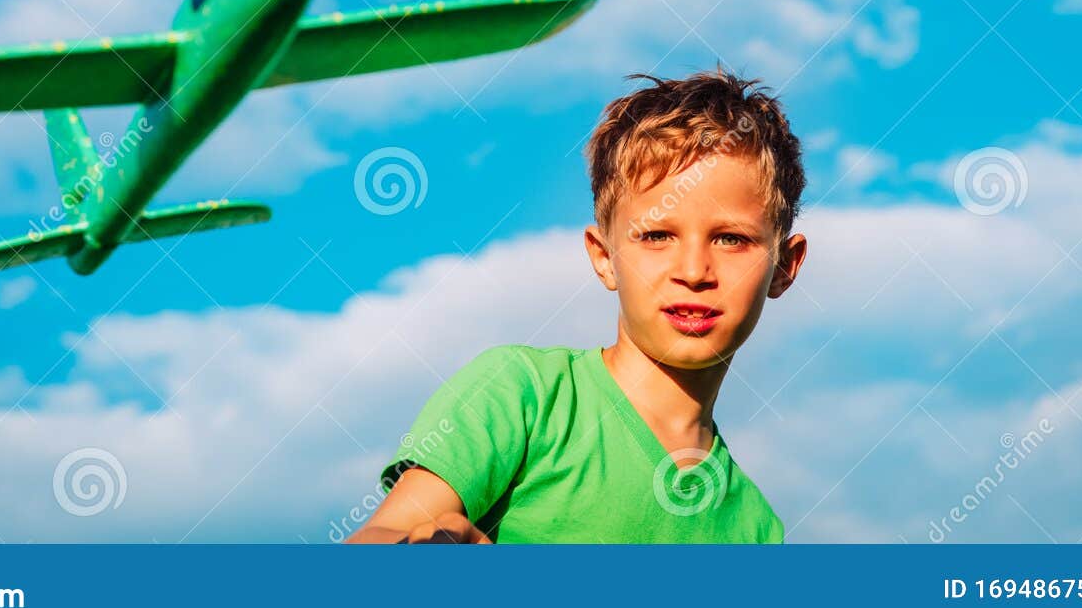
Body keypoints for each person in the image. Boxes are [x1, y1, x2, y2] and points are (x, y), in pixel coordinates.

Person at [346, 68, 808, 543]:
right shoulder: (523, 396)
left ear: (784, 266)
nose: (693, 271)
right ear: (604, 257)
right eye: (656, 235)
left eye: (731, 239)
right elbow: (381, 533)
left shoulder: (758, 531)